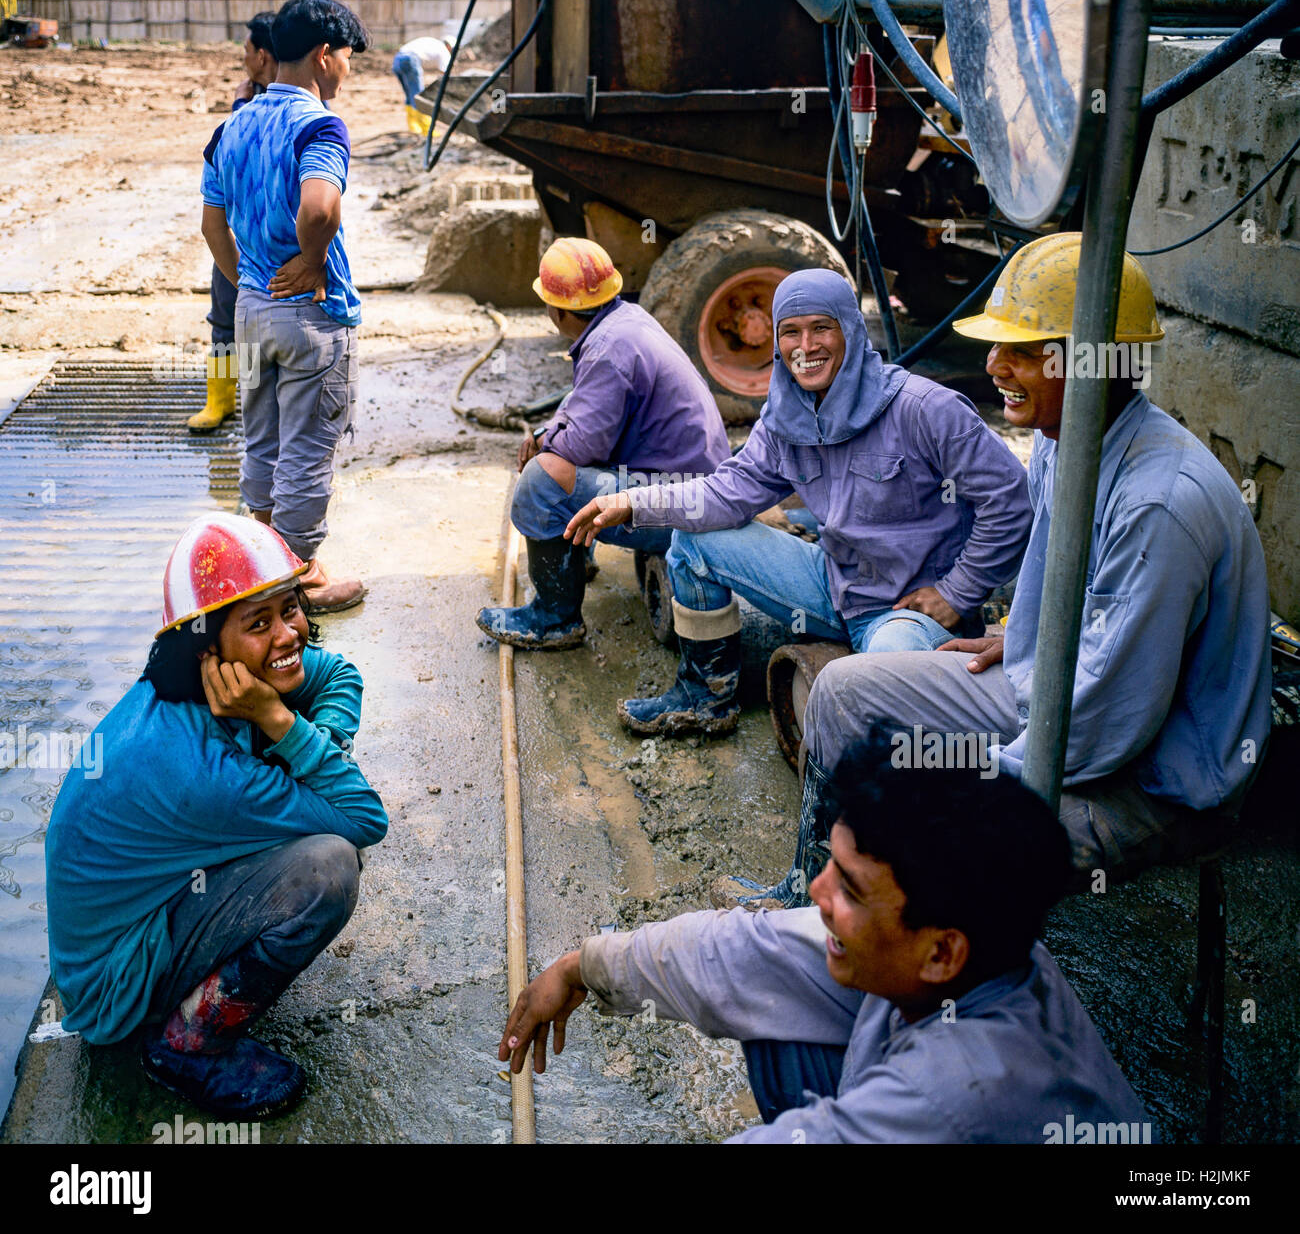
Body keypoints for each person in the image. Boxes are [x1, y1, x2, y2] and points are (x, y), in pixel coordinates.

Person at [801, 233, 1273, 890]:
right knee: (843, 692)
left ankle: (895, 970)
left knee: (914, 833)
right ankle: (810, 902)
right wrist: (1018, 638)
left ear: (1089, 362)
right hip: (1064, 701)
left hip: (1152, 782)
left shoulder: (1159, 505)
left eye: (1022, 351)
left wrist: (956, 771)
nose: (994, 365)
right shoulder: (1064, 437)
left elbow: (1103, 730)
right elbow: (1064, 587)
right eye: (998, 345)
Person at [499, 734, 1149, 1143]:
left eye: (851, 888)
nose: (816, 891)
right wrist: (581, 965)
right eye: (829, 866)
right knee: (769, 1006)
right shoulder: (980, 948)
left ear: (942, 951)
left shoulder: (953, 1094)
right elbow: (741, 951)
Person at [565, 268, 1032, 741]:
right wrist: (633, 501)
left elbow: (1012, 501)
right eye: (790, 331)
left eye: (821, 328)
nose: (805, 347)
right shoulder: (785, 417)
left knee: (879, 696)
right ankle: (704, 696)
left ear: (849, 329)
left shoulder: (924, 409)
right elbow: (727, 493)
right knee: (693, 541)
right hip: (837, 587)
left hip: (909, 614)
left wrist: (958, 591)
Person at [44, 512, 388, 1119]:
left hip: (153, 911)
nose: (288, 634)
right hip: (117, 989)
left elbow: (339, 673)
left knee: (315, 804)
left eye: (291, 609)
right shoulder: (201, 773)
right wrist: (283, 724)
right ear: (208, 649)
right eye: (259, 623)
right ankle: (186, 1048)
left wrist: (313, 741)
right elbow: (361, 817)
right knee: (327, 869)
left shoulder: (198, 688)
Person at [476, 237, 731, 649]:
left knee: (542, 482)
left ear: (556, 310)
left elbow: (581, 447)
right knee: (554, 457)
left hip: (687, 505)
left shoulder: (608, 350)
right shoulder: (623, 321)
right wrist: (549, 432)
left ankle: (554, 618)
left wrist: (547, 445)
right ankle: (575, 554)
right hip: (695, 485)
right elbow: (585, 407)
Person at [201, 0, 369, 612]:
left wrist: (249, 278)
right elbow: (320, 207)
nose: (347, 72)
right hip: (310, 316)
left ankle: (262, 560)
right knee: (305, 449)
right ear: (324, 56)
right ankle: (295, 582)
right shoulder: (320, 126)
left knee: (261, 441)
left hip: (250, 311)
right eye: (348, 59)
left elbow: (211, 224)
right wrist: (312, 262)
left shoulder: (232, 125)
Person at [188, 11, 279, 434]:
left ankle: (265, 401)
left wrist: (240, 106)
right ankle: (221, 400)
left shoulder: (289, 101)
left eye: (246, 51)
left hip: (276, 236)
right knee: (226, 316)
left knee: (269, 320)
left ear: (262, 55)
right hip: (238, 231)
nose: (243, 58)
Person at [391, 35, 451, 138]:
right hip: (410, 59)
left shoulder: (434, 43)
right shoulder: (444, 51)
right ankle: (427, 129)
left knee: (410, 94)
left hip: (397, 59)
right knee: (419, 96)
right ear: (450, 47)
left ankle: (414, 127)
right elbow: (445, 75)